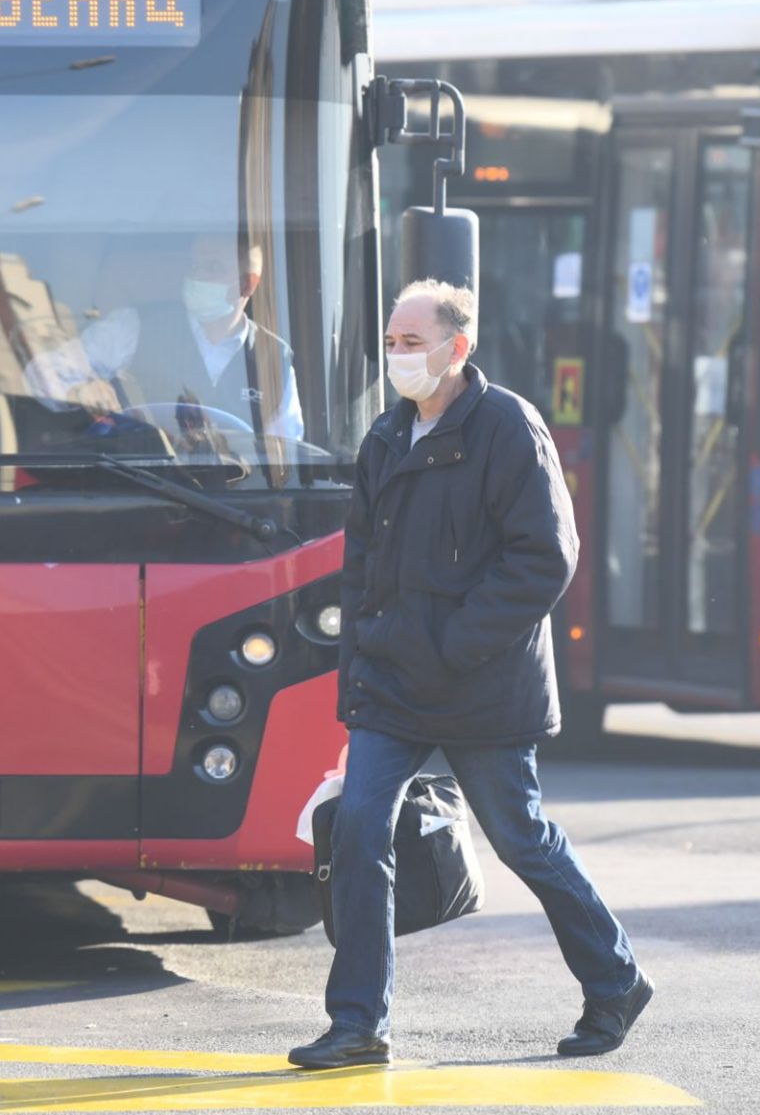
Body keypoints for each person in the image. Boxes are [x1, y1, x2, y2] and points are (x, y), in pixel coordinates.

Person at [288, 279, 649, 1071]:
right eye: (391, 341)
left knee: (522, 839)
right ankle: (358, 1022)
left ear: (458, 347)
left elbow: (545, 557)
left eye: (412, 342)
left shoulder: (509, 426)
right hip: (392, 688)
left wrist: (454, 645)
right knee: (358, 830)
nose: (397, 356)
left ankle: (615, 980)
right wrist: (358, 689)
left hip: (482, 685)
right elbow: (363, 577)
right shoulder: (385, 436)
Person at [24, 232, 302, 441]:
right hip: (144, 489)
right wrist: (81, 392)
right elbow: (42, 376)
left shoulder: (274, 358)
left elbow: (286, 450)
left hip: (237, 497)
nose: (198, 276)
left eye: (213, 268)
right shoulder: (133, 327)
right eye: (195, 266)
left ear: (247, 284)